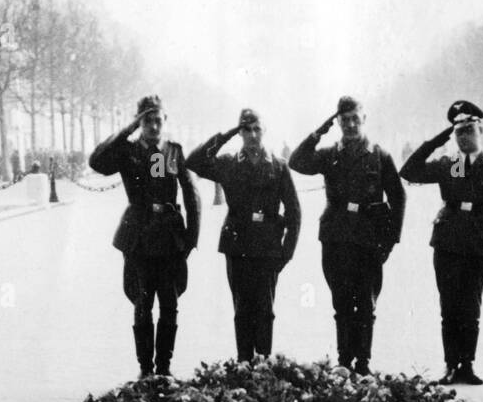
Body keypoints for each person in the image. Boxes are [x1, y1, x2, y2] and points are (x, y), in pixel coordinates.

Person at [289, 95, 405, 374]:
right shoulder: (330, 154)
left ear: (364, 119)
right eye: (344, 121)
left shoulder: (379, 155)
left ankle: (363, 363)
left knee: (365, 303)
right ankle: (344, 361)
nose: (350, 125)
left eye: (355, 119)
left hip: (368, 236)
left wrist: (390, 239)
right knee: (341, 300)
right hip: (336, 235)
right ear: (338, 122)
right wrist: (319, 131)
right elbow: (296, 161)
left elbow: (398, 196)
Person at [89, 94, 200, 380]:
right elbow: (97, 162)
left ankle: (164, 367)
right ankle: (145, 368)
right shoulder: (128, 152)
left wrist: (191, 237)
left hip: (169, 239)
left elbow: (191, 193)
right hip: (138, 237)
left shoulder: (172, 152)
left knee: (170, 304)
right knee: (142, 304)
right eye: (147, 121)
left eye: (157, 120)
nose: (153, 126)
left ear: (165, 121)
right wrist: (127, 130)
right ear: (140, 122)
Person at [400, 100, 483, 385]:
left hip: (479, 246)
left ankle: (467, 365)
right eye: (459, 132)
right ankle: (451, 365)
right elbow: (409, 171)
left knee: (471, 309)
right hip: (448, 244)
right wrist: (436, 141)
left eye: (470, 130)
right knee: (449, 308)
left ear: (481, 132)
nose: (464, 136)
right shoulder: (452, 165)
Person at [187, 109, 301, 362]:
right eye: (246, 130)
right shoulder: (228, 163)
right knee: (241, 307)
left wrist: (286, 252)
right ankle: (243, 361)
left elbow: (294, 211)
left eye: (256, 129)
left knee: (265, 308)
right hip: (237, 244)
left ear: (264, 131)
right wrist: (225, 135)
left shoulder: (278, 166)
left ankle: (263, 360)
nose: (252, 135)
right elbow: (193, 161)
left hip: (268, 246)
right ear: (240, 133)